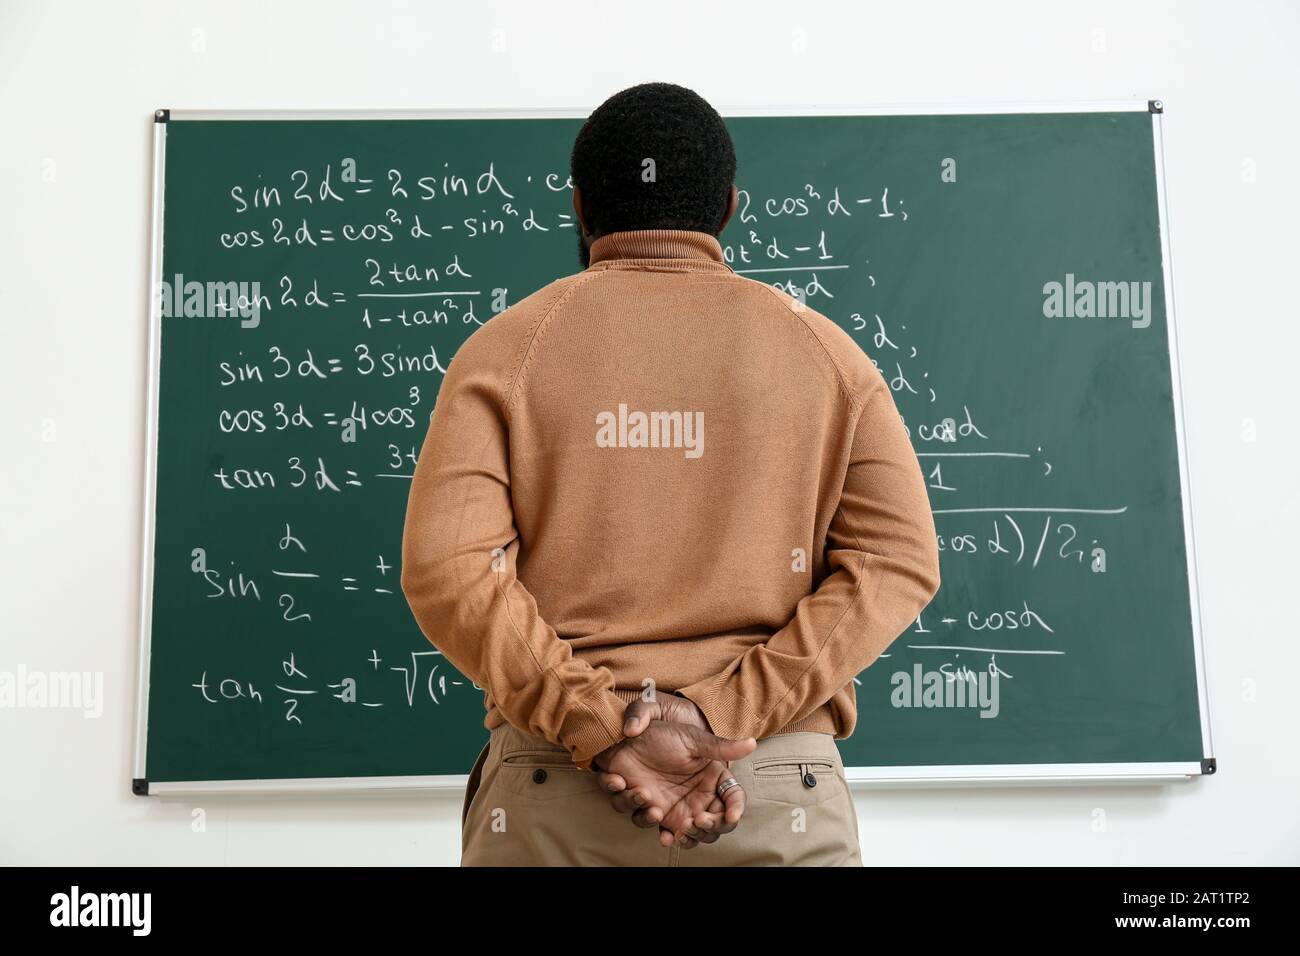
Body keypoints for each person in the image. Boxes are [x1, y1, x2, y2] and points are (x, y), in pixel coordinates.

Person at [401, 82, 940, 866]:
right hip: (770, 783)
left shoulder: (505, 351)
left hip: (559, 792)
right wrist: (717, 714)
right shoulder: (828, 354)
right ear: (727, 208)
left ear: (582, 209)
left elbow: (448, 571)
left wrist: (599, 729)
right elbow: (896, 563)